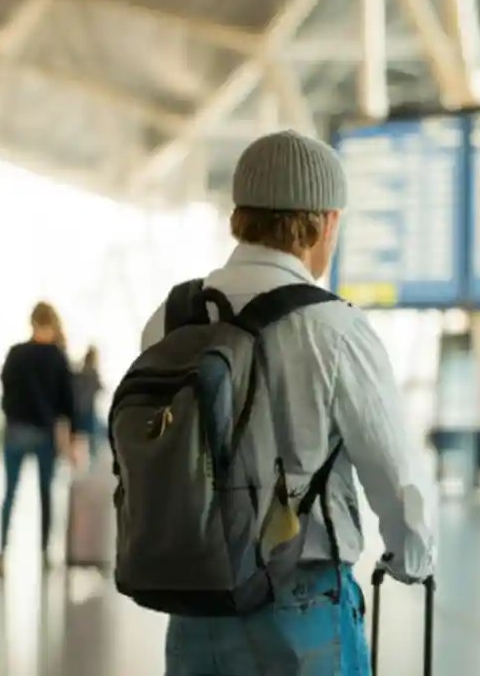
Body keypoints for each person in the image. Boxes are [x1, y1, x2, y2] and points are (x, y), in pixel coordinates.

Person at [140, 131, 436, 675]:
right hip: (300, 608)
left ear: (242, 216)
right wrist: (411, 557)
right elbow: (395, 477)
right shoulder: (336, 328)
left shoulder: (170, 317)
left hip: (192, 604)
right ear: (324, 223)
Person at [0, 302, 76, 577]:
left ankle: (2, 553)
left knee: (10, 493)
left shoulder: (16, 354)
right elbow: (68, 401)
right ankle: (44, 554)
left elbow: (4, 389)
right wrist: (70, 435)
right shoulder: (58, 357)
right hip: (45, 433)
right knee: (45, 495)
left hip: (16, 430)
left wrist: (13, 413)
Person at [71, 346, 103, 463]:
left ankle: (80, 461)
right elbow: (100, 388)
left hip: (78, 408)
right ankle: (88, 461)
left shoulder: (80, 372)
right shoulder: (92, 373)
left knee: (79, 437)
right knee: (89, 436)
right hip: (88, 408)